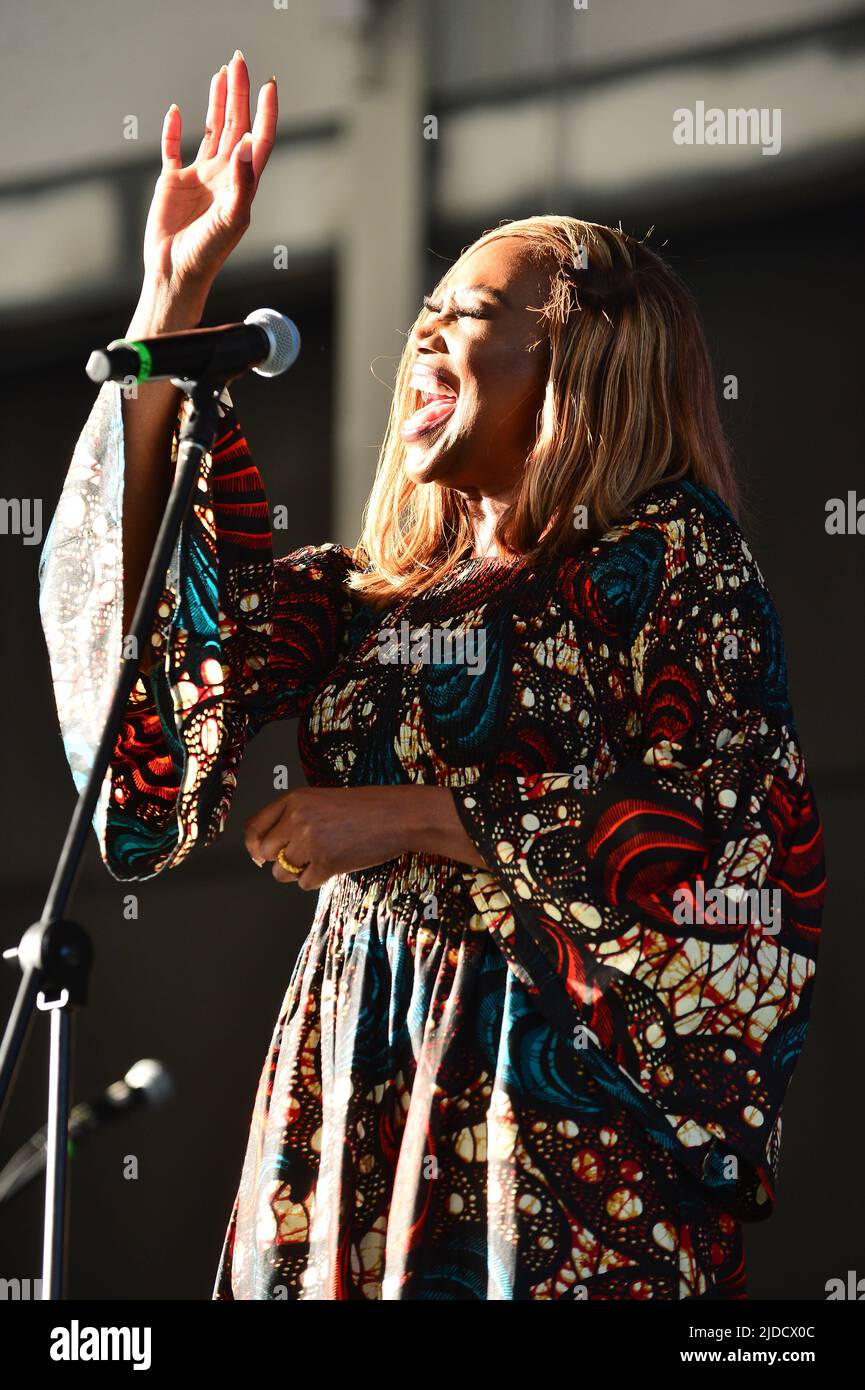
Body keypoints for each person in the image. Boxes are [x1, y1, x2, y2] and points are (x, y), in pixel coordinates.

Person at [39, 52, 826, 1301]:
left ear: (580, 357)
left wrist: (408, 817)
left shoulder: (671, 556)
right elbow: (150, 653)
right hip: (355, 1078)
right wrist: (171, 295)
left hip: (553, 1110)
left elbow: (728, 847)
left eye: (463, 314)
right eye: (419, 321)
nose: (421, 335)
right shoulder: (365, 600)